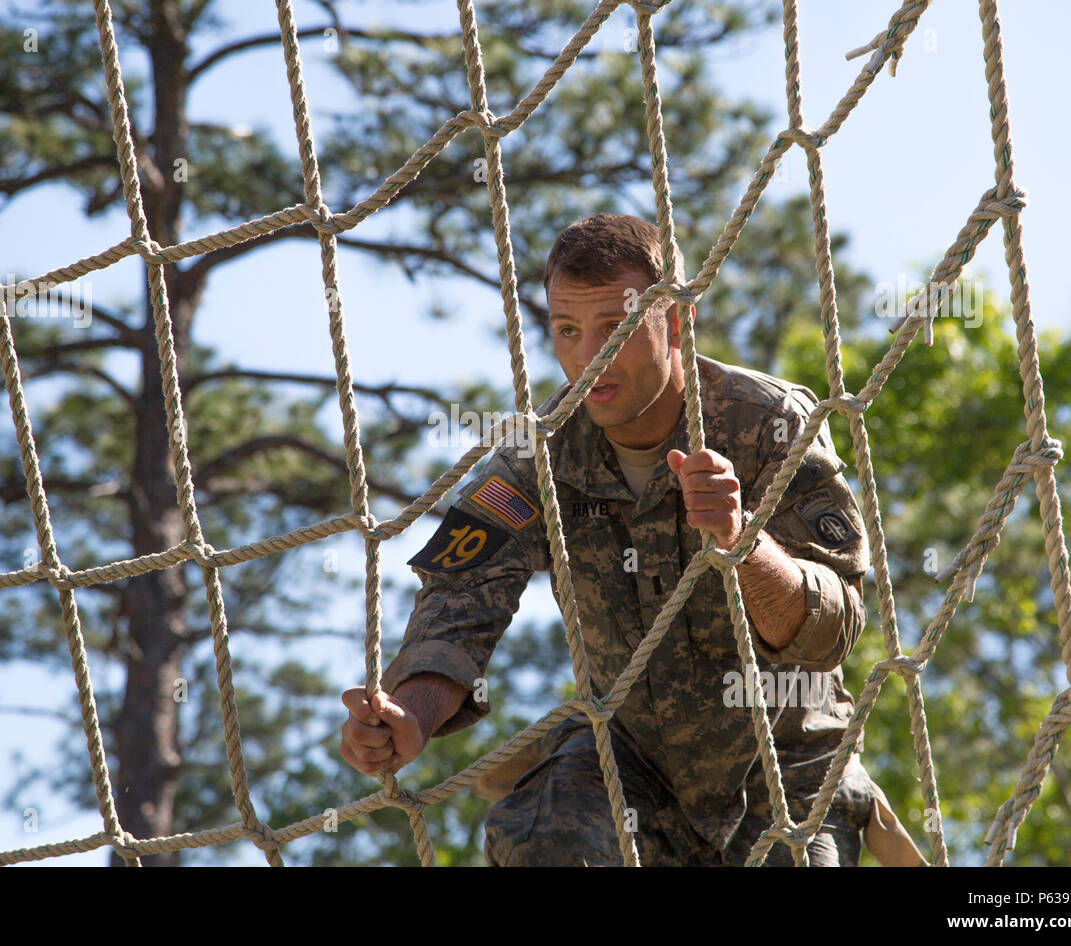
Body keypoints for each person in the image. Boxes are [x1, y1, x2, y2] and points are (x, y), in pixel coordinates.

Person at [338, 213, 925, 866]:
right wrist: (410, 717)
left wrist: (742, 543)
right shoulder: (535, 460)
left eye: (613, 329)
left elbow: (834, 629)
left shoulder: (770, 425)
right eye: (567, 331)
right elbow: (460, 601)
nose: (588, 358)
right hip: (629, 762)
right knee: (545, 825)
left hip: (785, 769)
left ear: (674, 323)